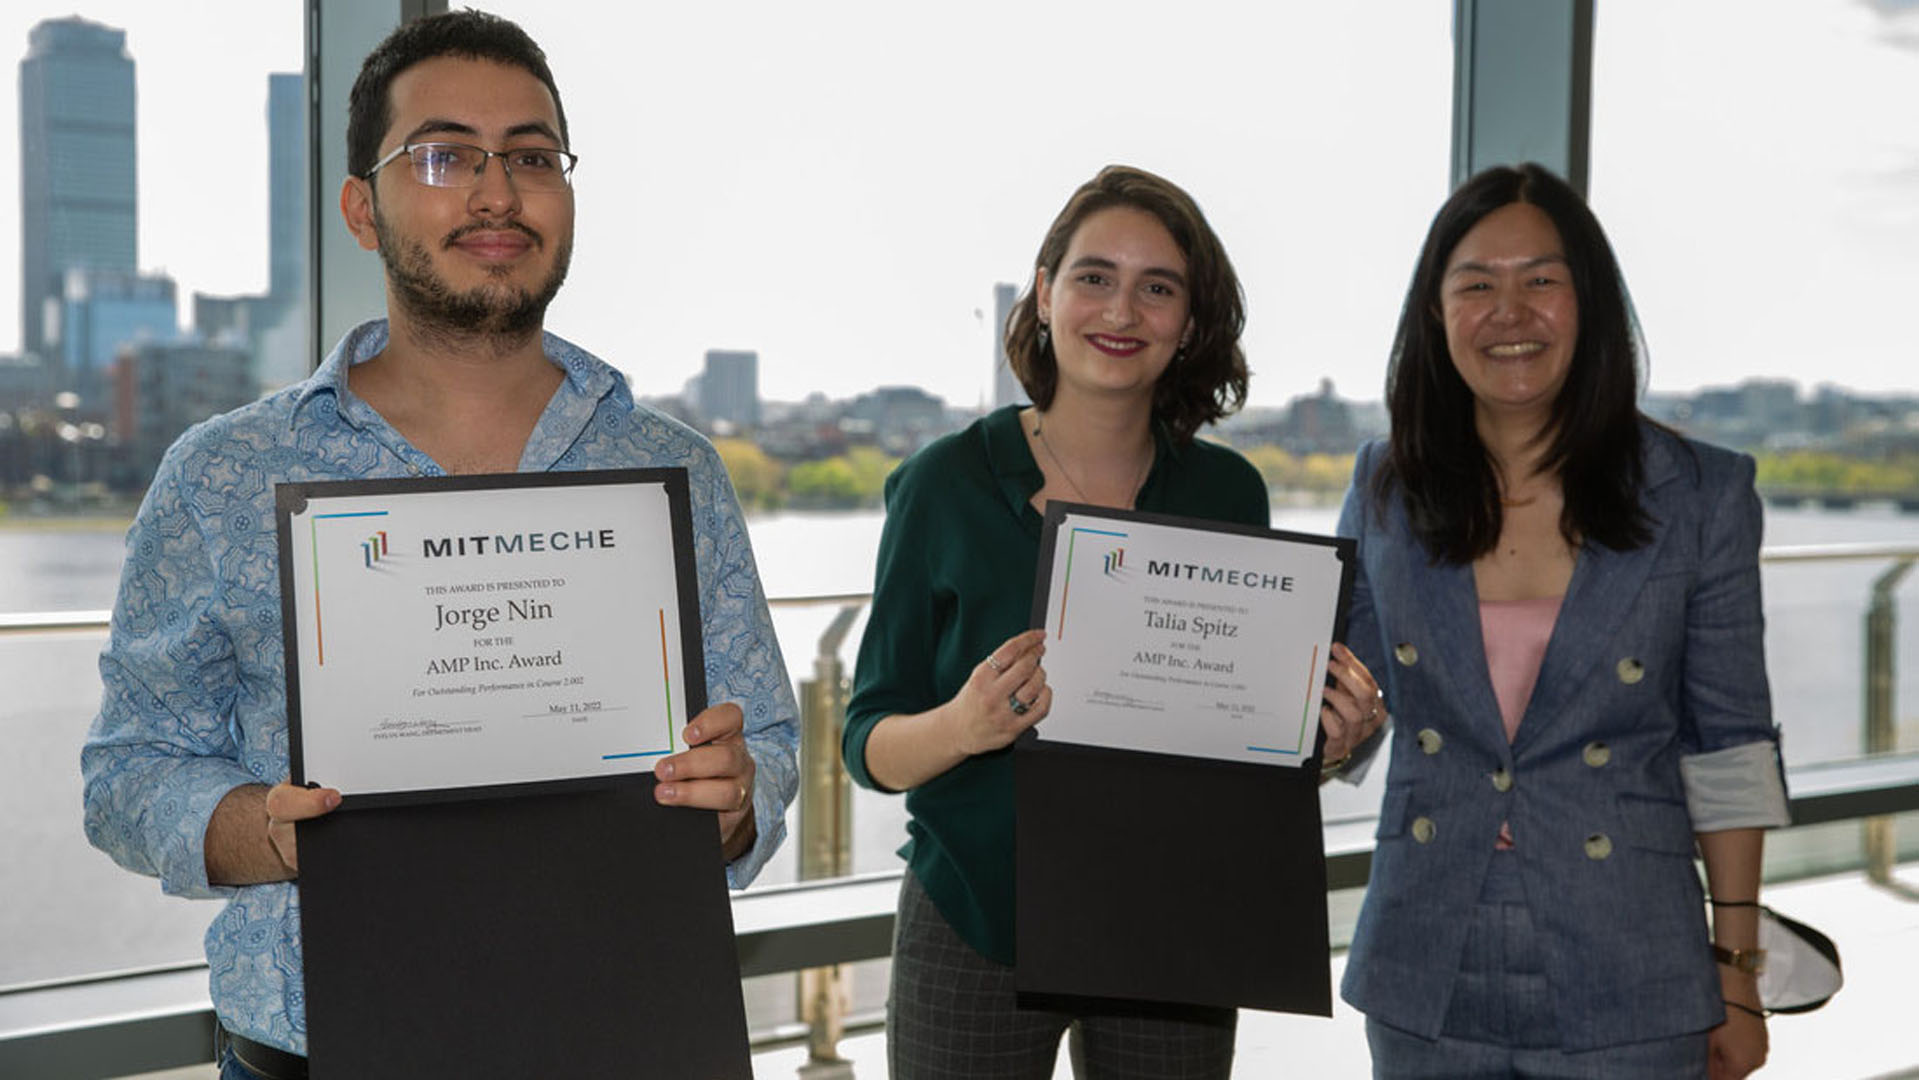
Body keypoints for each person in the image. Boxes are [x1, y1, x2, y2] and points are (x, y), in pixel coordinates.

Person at [80, 12, 797, 1078]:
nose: (496, 190)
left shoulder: (673, 469)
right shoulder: (222, 475)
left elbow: (768, 747)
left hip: (628, 1039)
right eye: (443, 153)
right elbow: (128, 773)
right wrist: (268, 831)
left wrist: (735, 803)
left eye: (531, 155)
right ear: (360, 211)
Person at [842, 164, 1385, 1080]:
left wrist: (1327, 744)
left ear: (1191, 322)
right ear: (1045, 294)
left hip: (1172, 923)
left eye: (1157, 287)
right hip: (975, 915)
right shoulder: (943, 485)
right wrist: (964, 726)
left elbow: (1241, 742)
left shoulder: (1227, 493)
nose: (1121, 311)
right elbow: (867, 743)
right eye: (1094, 277)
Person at [1333, 162, 1788, 1079]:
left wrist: (1735, 970)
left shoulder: (1699, 494)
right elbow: (1340, 708)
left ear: (1590, 304)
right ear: (1435, 312)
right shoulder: (1385, 487)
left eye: (1541, 280)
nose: (1509, 312)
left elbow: (1730, 748)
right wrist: (1329, 732)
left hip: (1632, 956)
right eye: (1475, 285)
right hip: (1425, 959)